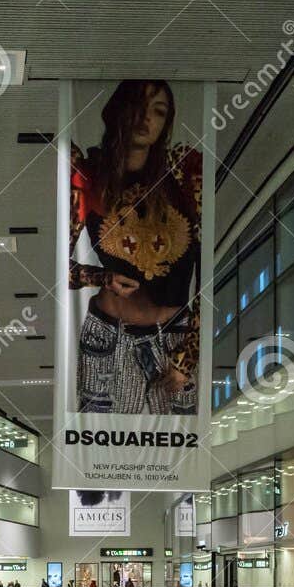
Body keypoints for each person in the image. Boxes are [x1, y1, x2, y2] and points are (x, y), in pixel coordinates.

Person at [69, 81, 200, 416]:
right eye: (138, 107)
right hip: (109, 338)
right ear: (118, 110)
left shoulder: (184, 175)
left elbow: (213, 270)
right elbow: (54, 265)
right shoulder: (87, 177)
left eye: (159, 112)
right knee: (100, 452)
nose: (146, 120)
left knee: (178, 455)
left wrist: (189, 354)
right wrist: (101, 277)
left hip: (175, 340)